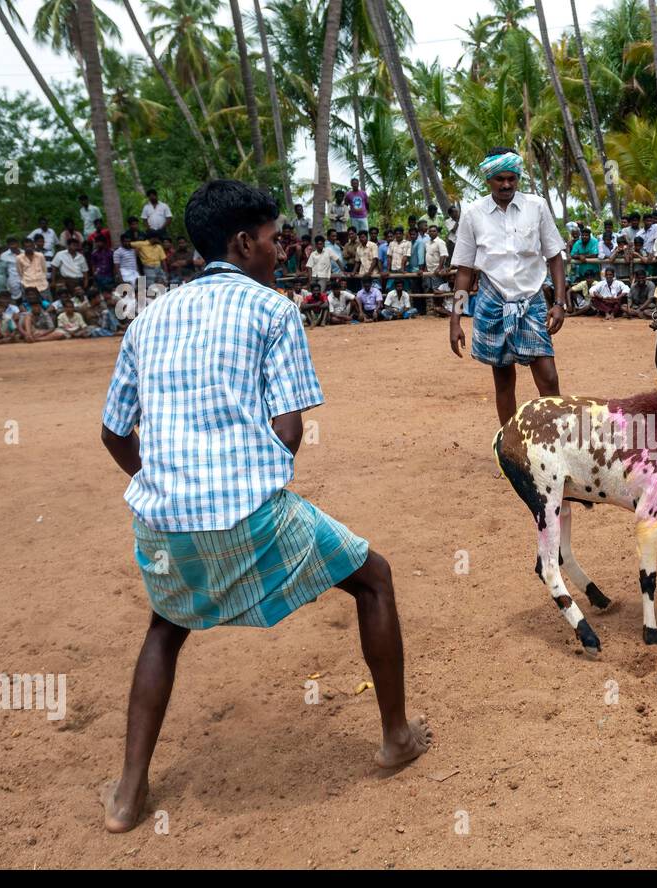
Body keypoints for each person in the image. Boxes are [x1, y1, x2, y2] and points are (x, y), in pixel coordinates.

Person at [98, 179, 430, 833]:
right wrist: (247, 484)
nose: (283, 250)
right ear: (245, 243)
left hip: (162, 521)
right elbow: (288, 432)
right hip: (249, 513)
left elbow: (113, 433)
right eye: (277, 239)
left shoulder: (149, 318)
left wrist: (168, 482)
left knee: (166, 627)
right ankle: (395, 737)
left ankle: (128, 792)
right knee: (374, 578)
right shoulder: (273, 311)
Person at [449, 148, 566, 427]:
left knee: (548, 378)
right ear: (488, 180)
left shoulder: (536, 206)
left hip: (532, 301)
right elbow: (464, 272)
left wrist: (560, 303)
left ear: (518, 178)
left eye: (512, 179)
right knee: (503, 381)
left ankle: (557, 444)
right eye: (500, 179)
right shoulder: (473, 213)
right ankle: (510, 448)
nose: (506, 185)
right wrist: (455, 320)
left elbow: (555, 257)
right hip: (493, 304)